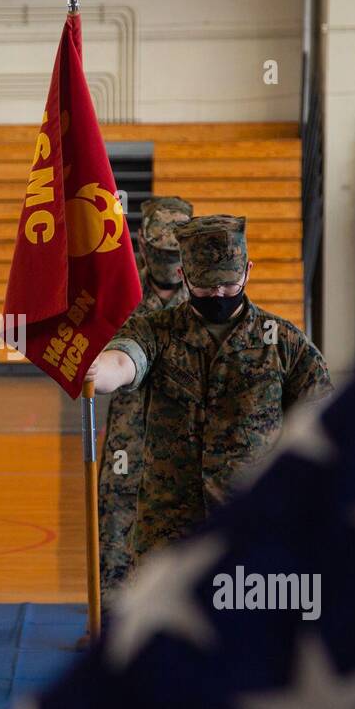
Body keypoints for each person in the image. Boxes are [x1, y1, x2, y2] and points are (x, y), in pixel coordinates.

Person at [85, 214, 334, 559]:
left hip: (253, 526)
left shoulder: (283, 342)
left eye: (228, 284)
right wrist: (98, 371)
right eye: (205, 285)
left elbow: (325, 420)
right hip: (170, 533)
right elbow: (124, 361)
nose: (217, 293)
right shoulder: (156, 331)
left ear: (248, 271)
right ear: (184, 277)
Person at [79, 198, 192, 648]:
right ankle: (110, 627)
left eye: (174, 253)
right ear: (142, 247)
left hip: (184, 435)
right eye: (158, 252)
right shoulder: (118, 294)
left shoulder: (208, 299)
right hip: (127, 433)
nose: (166, 262)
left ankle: (173, 623)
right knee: (115, 526)